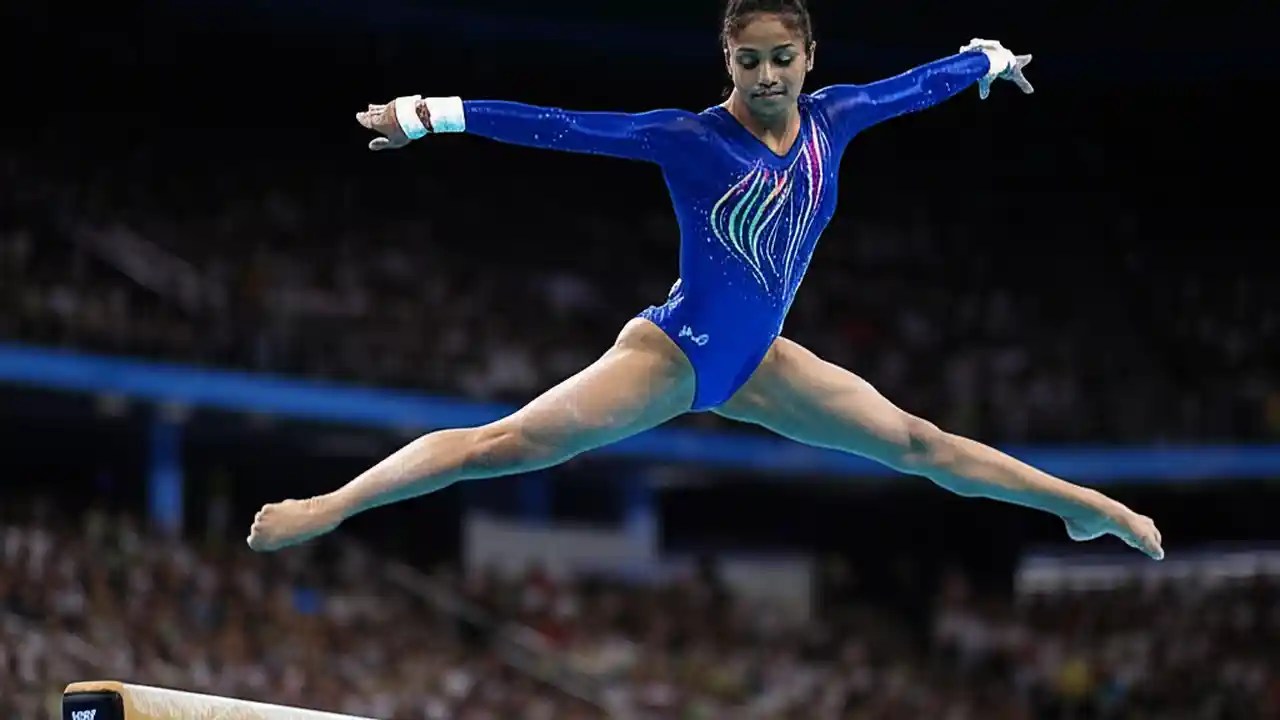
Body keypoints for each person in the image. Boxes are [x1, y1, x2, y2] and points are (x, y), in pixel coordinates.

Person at [247, 0, 1164, 561]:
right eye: (748, 59)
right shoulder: (689, 139)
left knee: (920, 444)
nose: (766, 76)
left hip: (758, 361)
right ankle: (331, 506)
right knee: (509, 444)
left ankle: (1085, 510)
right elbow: (560, 126)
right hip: (677, 352)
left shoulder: (835, 119)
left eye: (782, 58)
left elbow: (922, 83)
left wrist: (988, 62)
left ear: (809, 57)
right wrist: (428, 114)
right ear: (726, 59)